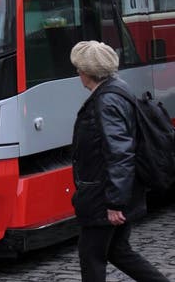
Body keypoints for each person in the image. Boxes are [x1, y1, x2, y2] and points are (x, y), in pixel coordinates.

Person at [70, 40, 171, 282]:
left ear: (87, 72)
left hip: (103, 195)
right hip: (117, 190)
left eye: (79, 69)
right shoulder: (117, 88)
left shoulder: (105, 102)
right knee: (119, 251)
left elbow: (119, 153)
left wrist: (114, 203)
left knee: (91, 256)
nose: (78, 73)